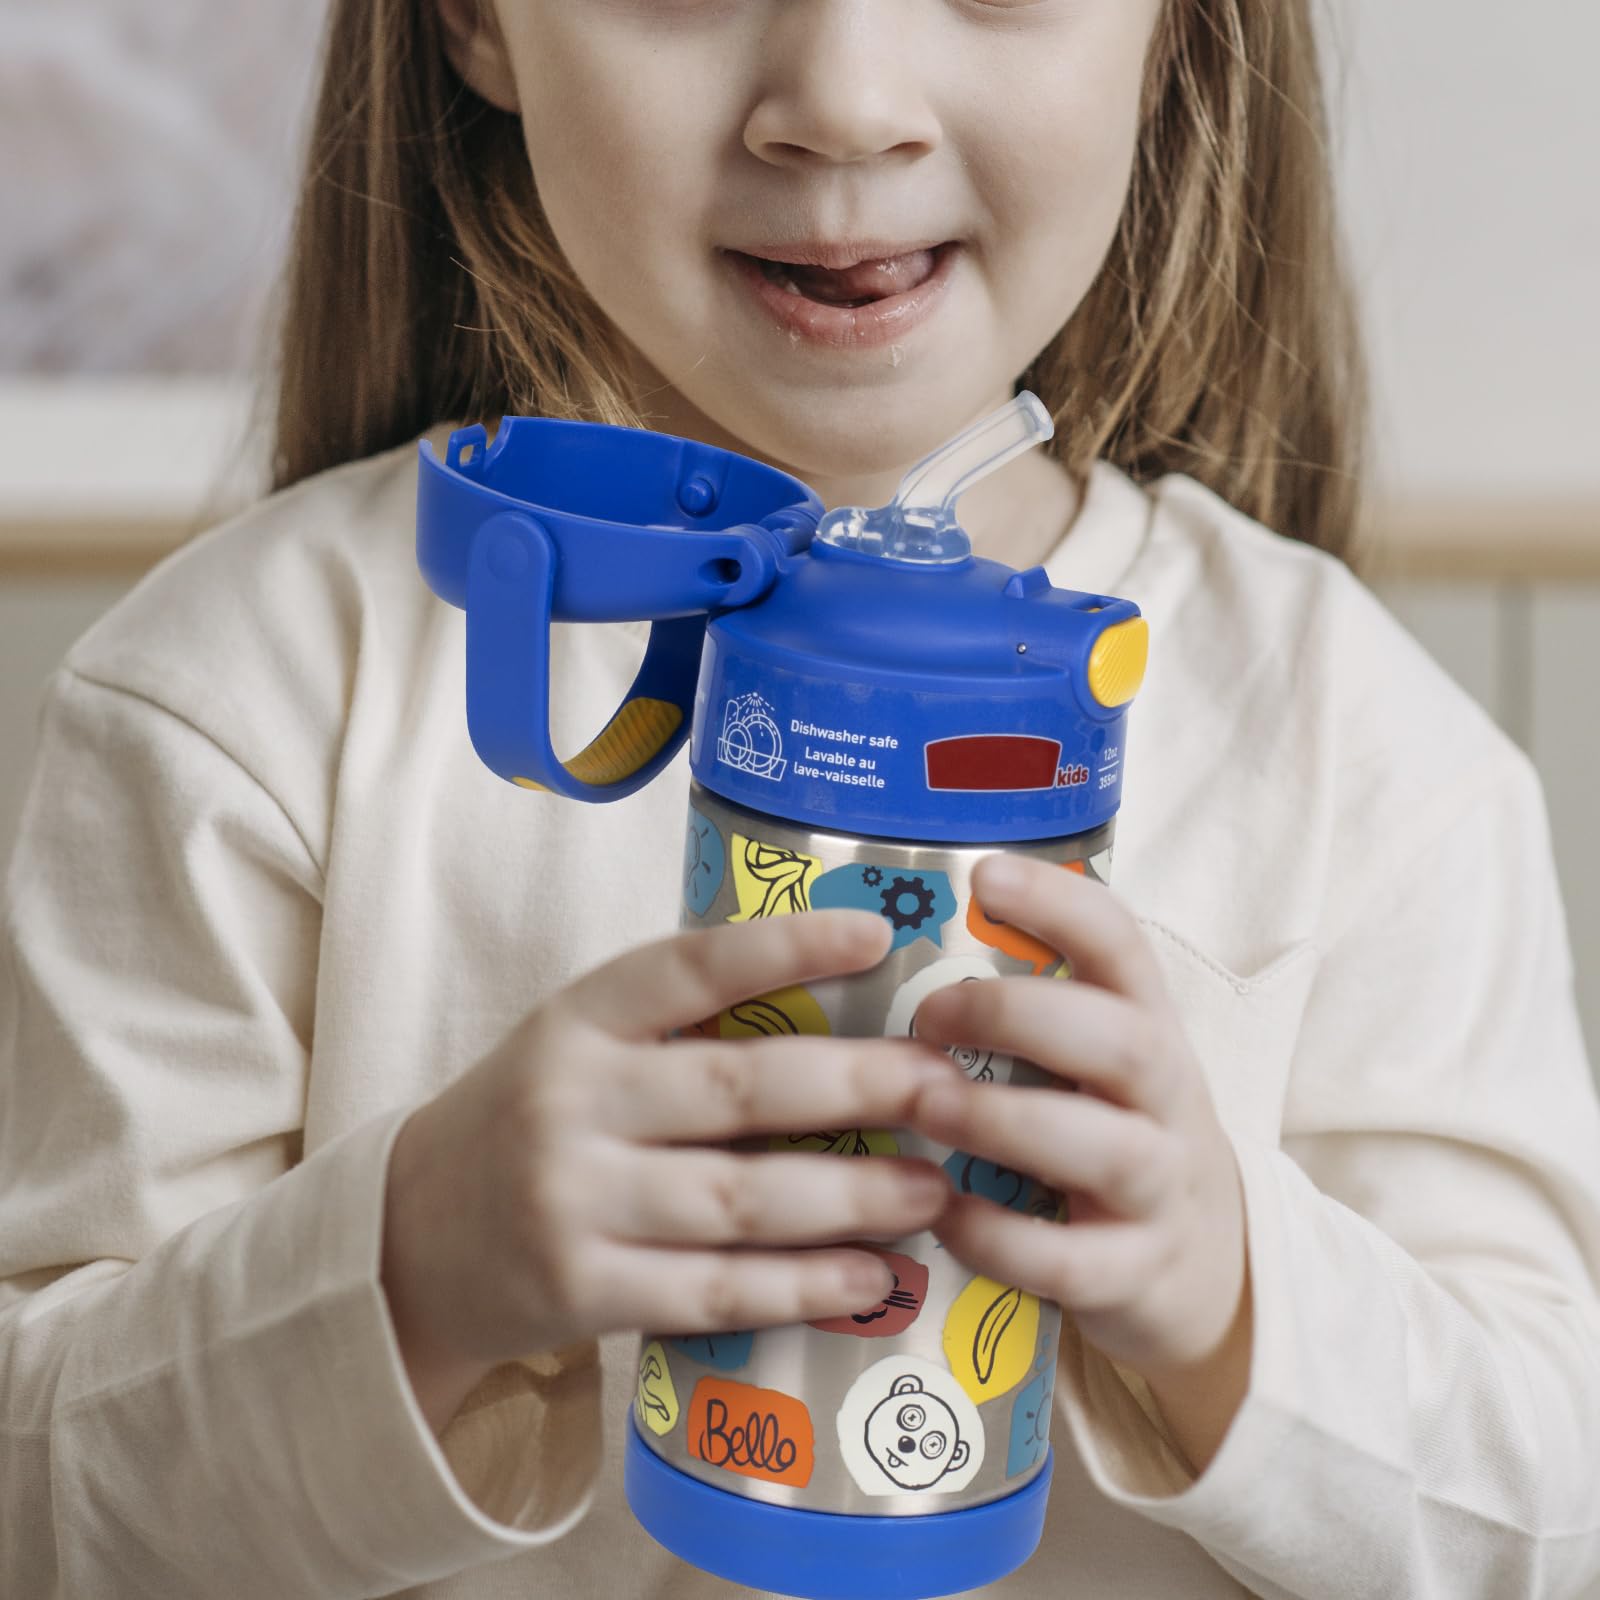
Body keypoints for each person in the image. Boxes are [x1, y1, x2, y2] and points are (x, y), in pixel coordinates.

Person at [3, 1, 1598, 1596]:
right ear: (479, 20)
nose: (844, 100)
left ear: (1175, 30)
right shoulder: (232, 703)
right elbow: (39, 1513)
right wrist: (411, 1271)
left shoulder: (1364, 745)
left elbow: (1554, 1517)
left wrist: (1240, 1307)